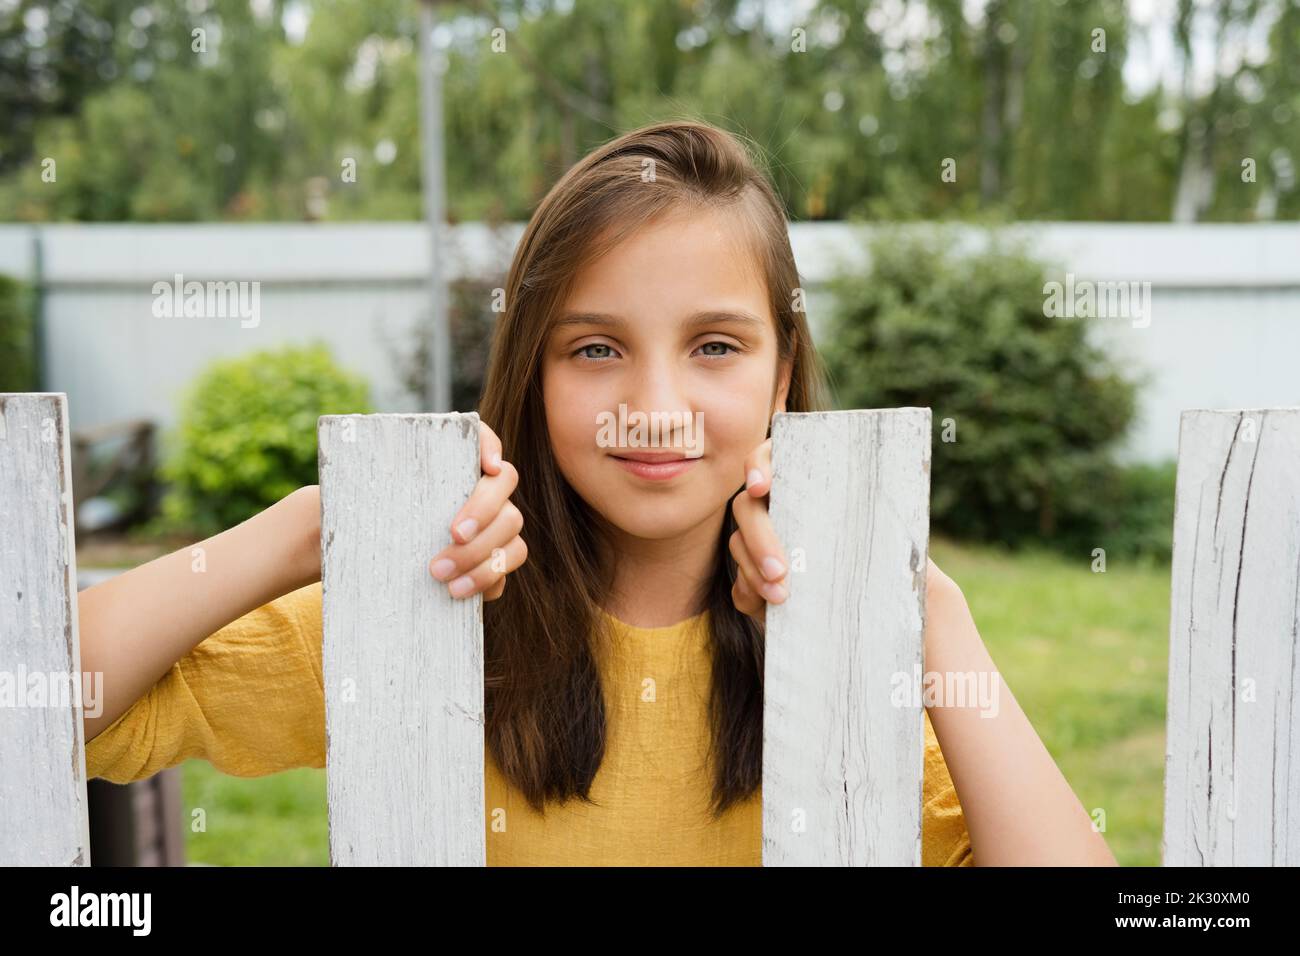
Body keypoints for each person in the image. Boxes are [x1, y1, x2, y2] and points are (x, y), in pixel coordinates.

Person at [80, 120, 1117, 866]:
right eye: (594, 347)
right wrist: (310, 530)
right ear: (533, 366)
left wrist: (930, 613)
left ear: (783, 372)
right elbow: (53, 702)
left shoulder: (853, 652)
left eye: (714, 344)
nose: (653, 406)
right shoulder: (428, 613)